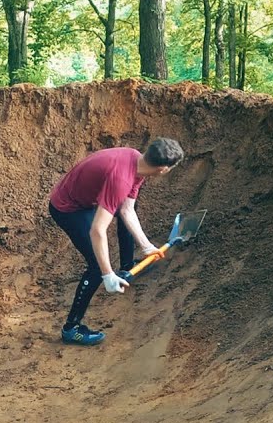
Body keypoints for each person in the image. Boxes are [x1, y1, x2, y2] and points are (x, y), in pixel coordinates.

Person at [48, 138, 185, 346]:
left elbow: (126, 210)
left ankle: (128, 266)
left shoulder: (137, 162)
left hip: (83, 198)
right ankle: (71, 329)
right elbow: (97, 230)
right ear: (164, 169)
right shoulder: (121, 180)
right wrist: (107, 275)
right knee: (95, 267)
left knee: (127, 211)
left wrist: (146, 246)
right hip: (68, 208)